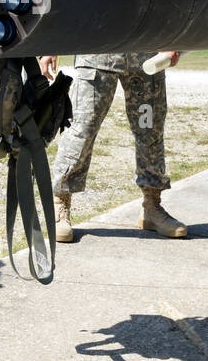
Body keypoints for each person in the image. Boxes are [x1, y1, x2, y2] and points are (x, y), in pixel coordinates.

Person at [38, 51, 186, 243]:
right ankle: (59, 205)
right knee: (82, 130)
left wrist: (175, 43)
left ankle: (152, 207)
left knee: (150, 132)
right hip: (97, 51)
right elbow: (67, 18)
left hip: (148, 56)